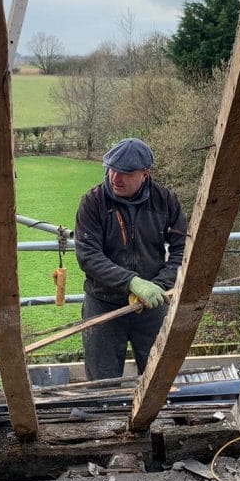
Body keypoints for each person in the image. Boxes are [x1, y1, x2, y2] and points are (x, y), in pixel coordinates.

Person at [74, 138, 187, 380]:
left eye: (125, 173)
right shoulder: (93, 202)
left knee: (159, 378)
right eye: (112, 169)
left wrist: (160, 284)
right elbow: (89, 256)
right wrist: (132, 282)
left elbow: (183, 249)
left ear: (145, 174)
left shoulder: (165, 201)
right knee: (102, 384)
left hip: (152, 306)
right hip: (103, 304)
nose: (115, 178)